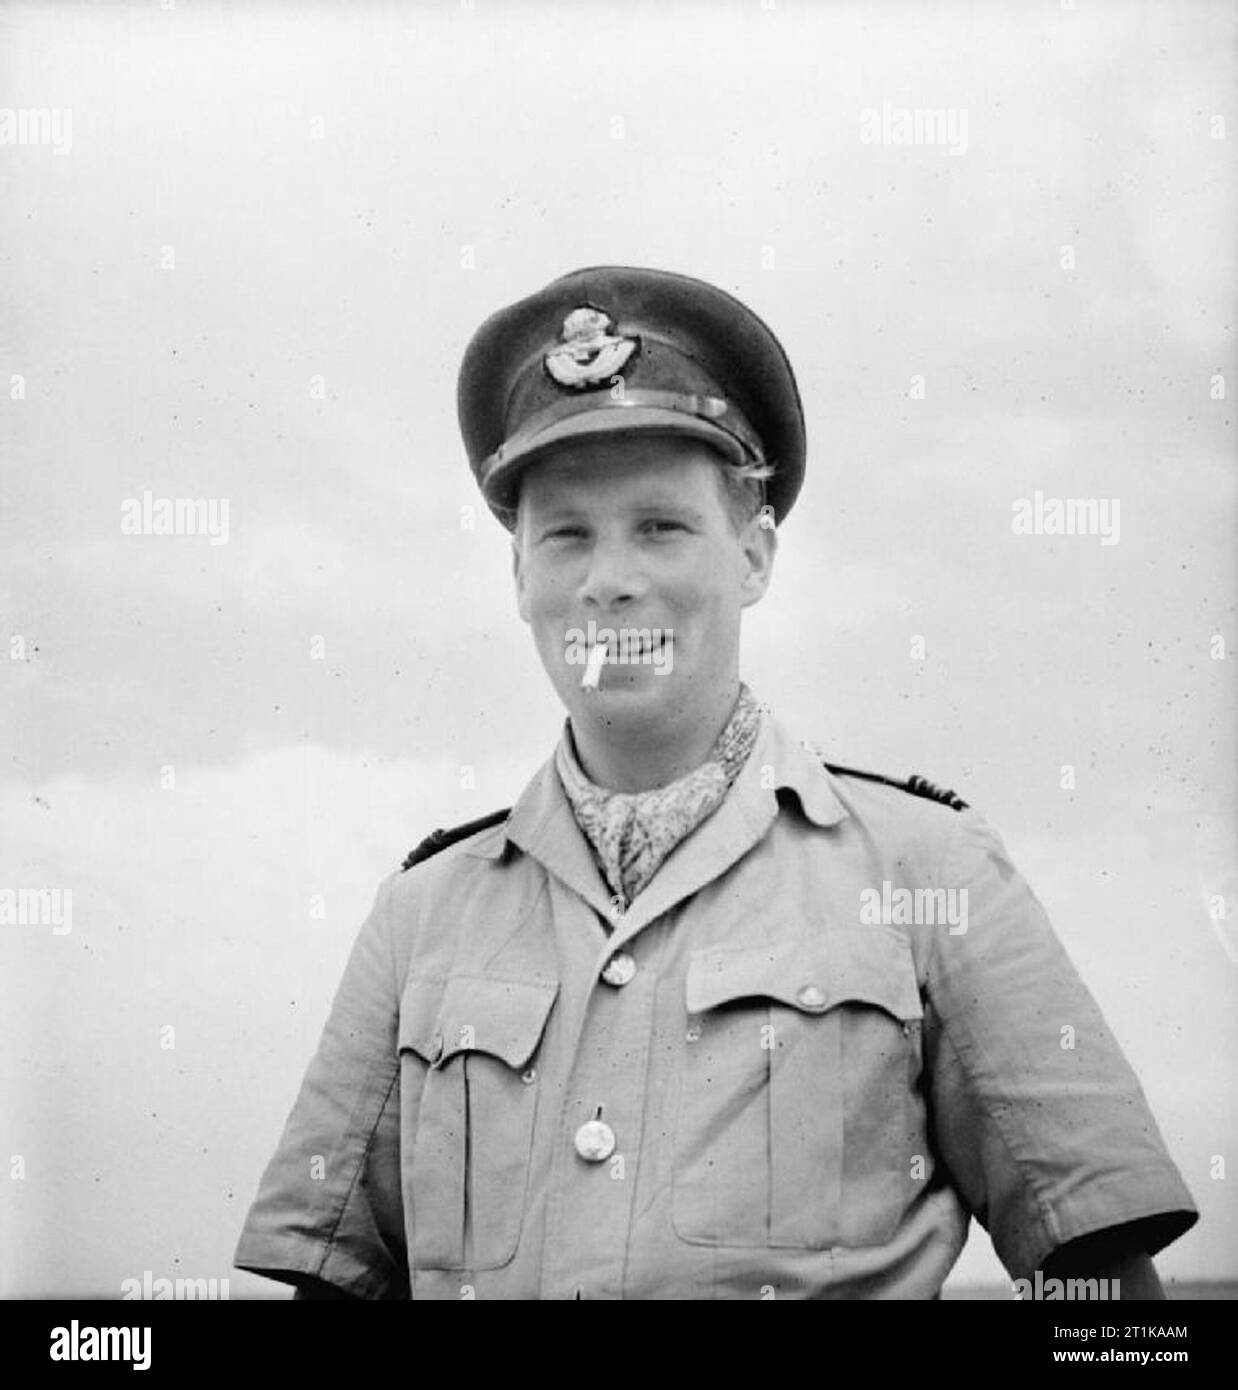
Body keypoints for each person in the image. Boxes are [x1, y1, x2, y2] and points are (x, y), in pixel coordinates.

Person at [234, 266, 1197, 1299]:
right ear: (519, 577)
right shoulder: (419, 918)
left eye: (660, 525)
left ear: (752, 555)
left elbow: (1098, 1271)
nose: (609, 577)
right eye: (565, 533)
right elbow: (333, 1280)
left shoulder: (930, 869)